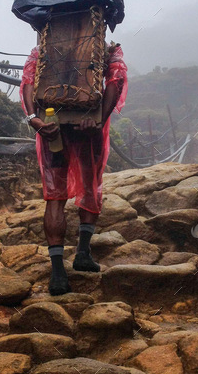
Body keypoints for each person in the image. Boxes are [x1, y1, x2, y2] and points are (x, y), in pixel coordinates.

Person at [20, 41, 128, 295]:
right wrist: (99, 118)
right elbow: (116, 80)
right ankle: (82, 253)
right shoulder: (107, 49)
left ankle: (58, 274)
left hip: (51, 123)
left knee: (54, 196)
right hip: (89, 126)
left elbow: (27, 81)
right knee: (91, 186)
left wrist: (34, 120)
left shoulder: (44, 47)